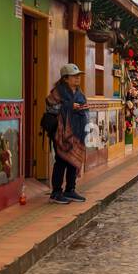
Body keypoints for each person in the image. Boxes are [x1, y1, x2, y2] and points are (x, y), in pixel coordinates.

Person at [45, 63, 88, 205]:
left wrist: (82, 109)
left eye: (78, 76)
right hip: (61, 133)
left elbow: (84, 109)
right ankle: (56, 192)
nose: (77, 78)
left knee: (73, 161)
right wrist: (69, 106)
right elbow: (51, 108)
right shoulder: (57, 92)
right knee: (61, 161)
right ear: (65, 78)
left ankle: (70, 189)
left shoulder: (79, 93)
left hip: (77, 132)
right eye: (74, 76)